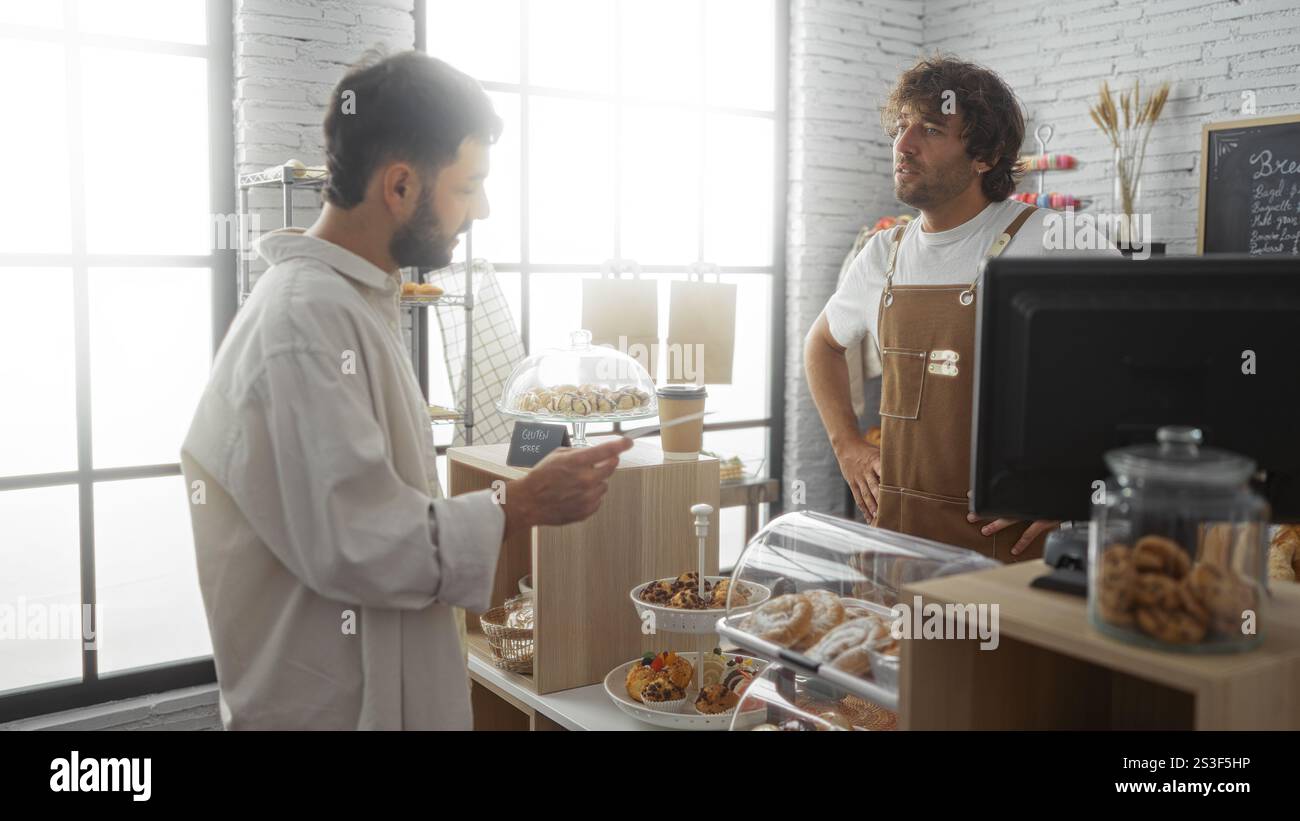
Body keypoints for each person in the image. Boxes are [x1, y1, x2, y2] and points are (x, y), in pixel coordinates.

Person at [181, 51, 632, 730]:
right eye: (468, 184)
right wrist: (522, 503)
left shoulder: (351, 303)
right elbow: (359, 540)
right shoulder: (304, 322)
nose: (481, 207)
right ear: (398, 185)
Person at [804, 56, 1120, 561]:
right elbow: (822, 345)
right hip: (898, 544)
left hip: (1008, 558)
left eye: (930, 129)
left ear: (986, 156)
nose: (903, 146)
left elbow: (1141, 372)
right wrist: (848, 445)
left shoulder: (1057, 241)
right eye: (901, 127)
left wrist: (1080, 480)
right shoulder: (883, 254)